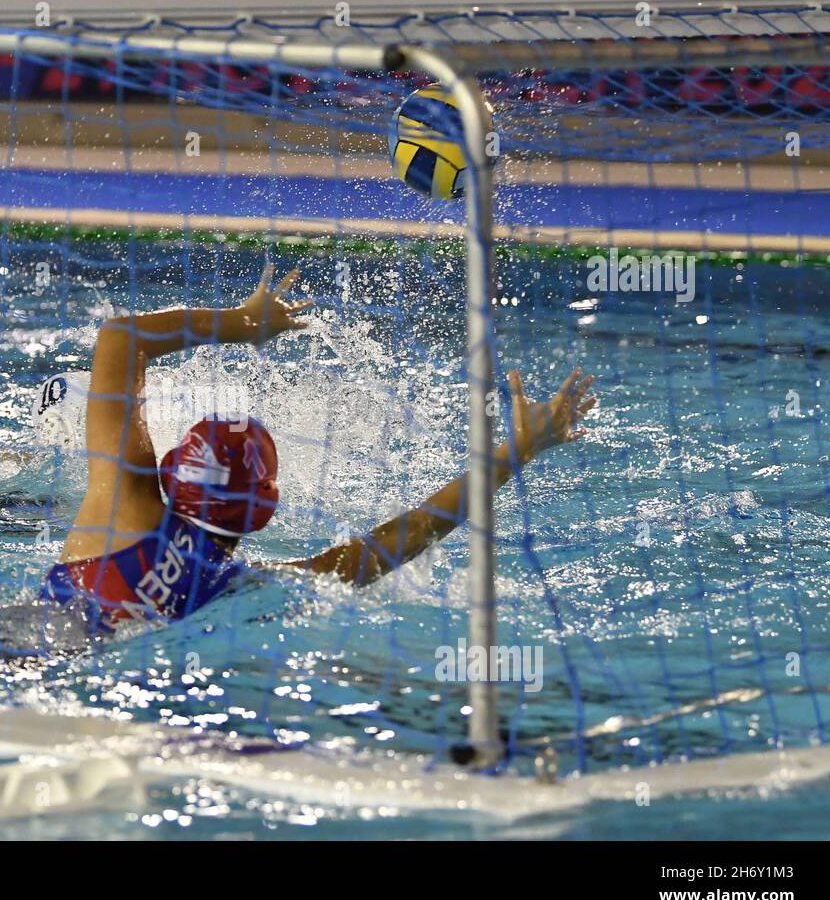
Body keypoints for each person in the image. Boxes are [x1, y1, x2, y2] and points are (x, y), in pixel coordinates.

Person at [41, 262, 597, 632]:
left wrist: (241, 323)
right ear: (264, 507)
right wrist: (519, 449)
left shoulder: (125, 506)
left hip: (4, 639)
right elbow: (410, 532)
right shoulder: (241, 587)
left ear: (173, 471)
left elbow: (122, 337)